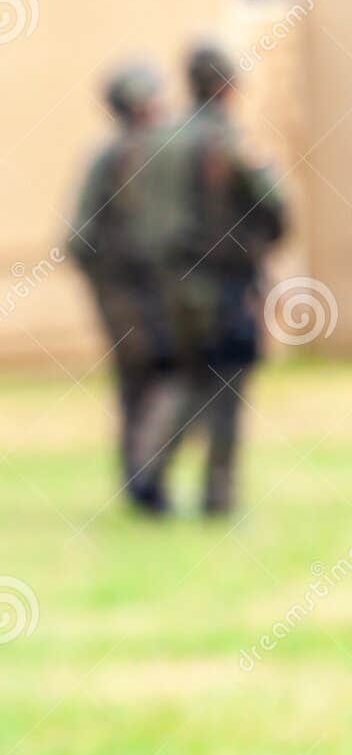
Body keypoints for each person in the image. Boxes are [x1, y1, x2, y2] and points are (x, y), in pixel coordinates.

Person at [129, 43, 286, 516]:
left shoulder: (154, 139)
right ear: (224, 85)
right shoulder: (226, 140)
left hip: (163, 287)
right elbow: (272, 205)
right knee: (227, 384)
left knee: (182, 377)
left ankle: (147, 472)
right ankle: (218, 496)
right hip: (220, 286)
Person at [67, 63, 175, 508]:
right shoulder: (112, 160)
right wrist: (117, 293)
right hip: (129, 299)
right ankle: (143, 484)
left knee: (161, 386)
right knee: (142, 386)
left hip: (162, 295)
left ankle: (147, 478)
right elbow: (80, 239)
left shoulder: (161, 153)